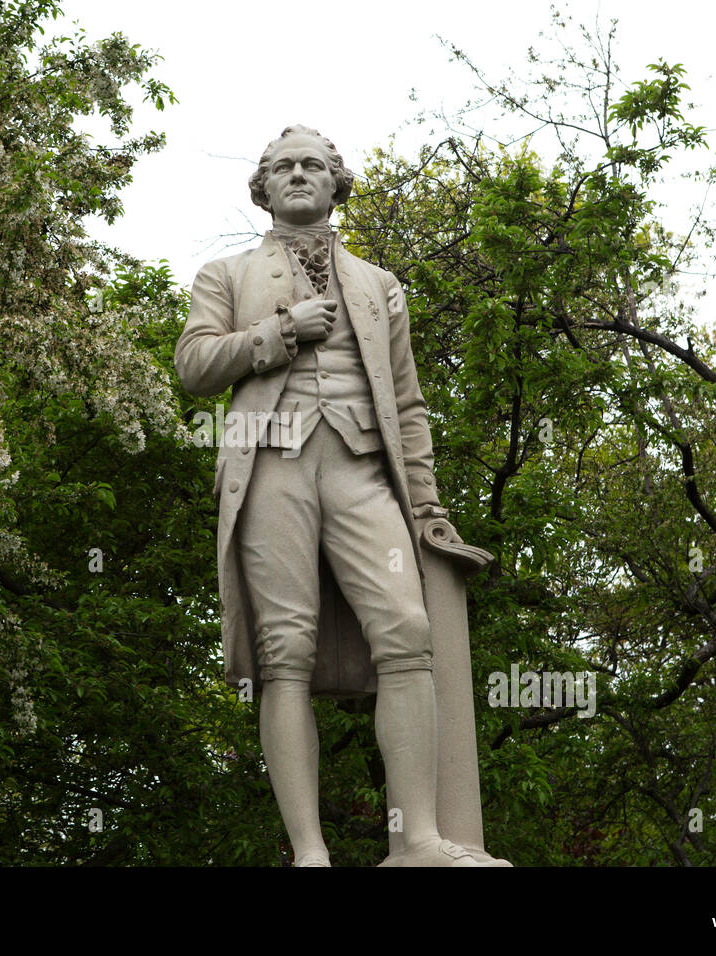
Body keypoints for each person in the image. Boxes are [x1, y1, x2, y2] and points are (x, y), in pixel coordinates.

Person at [176, 125, 483, 866]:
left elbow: (407, 408)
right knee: (286, 651)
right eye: (283, 167)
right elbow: (193, 365)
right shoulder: (225, 274)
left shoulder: (379, 285)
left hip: (359, 467)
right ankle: (310, 852)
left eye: (313, 164)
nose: (298, 175)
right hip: (272, 464)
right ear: (263, 188)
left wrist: (430, 508)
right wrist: (277, 333)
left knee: (408, 631)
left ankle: (418, 842)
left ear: (336, 182)